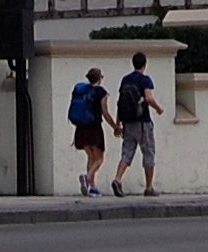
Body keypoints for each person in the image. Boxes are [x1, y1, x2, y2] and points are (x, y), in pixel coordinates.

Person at [110, 53, 161, 196]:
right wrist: (158, 108)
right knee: (148, 153)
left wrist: (117, 123)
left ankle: (118, 179)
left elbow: (120, 103)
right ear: (145, 64)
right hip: (143, 122)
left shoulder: (125, 80)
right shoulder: (145, 80)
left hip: (128, 123)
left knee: (126, 153)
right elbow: (149, 98)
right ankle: (149, 187)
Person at [69, 66, 115, 195]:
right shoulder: (101, 92)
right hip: (94, 128)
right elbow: (105, 113)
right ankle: (87, 177)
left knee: (91, 156)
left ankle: (92, 187)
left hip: (81, 127)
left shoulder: (82, 90)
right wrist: (115, 127)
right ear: (99, 78)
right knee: (99, 158)